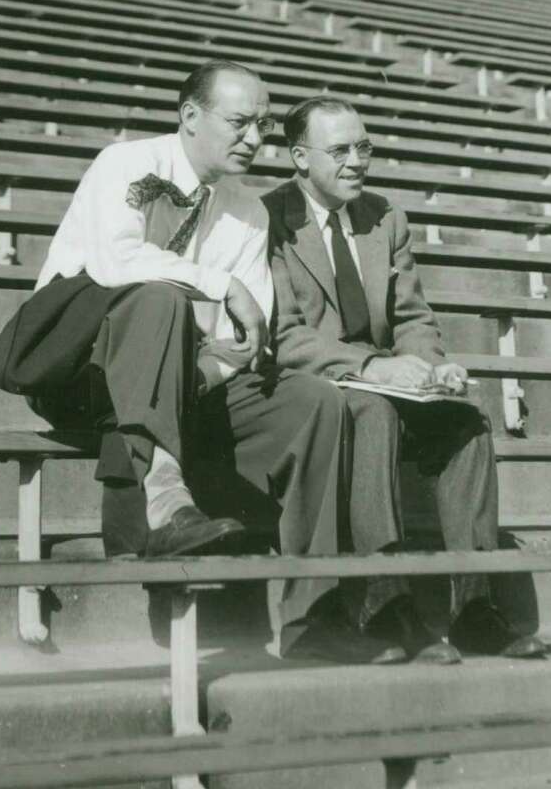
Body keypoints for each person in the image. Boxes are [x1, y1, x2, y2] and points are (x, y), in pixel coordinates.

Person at [32, 60, 362, 661]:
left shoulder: (249, 211)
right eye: (239, 123)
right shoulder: (126, 164)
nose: (255, 140)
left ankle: (314, 614)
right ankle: (161, 498)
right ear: (189, 117)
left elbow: (248, 335)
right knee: (158, 299)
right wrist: (219, 284)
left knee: (314, 401)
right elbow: (115, 265)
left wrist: (202, 370)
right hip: (74, 363)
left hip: (188, 376)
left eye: (261, 125)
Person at [265, 95, 548, 665]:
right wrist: (368, 367)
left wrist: (431, 364)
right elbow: (284, 335)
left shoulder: (385, 216)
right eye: (339, 150)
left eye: (363, 147)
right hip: (314, 383)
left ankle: (473, 606)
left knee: (465, 421)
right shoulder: (269, 218)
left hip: (381, 378)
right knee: (372, 410)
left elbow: (412, 316)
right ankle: (381, 598)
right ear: (299, 157)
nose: (357, 162)